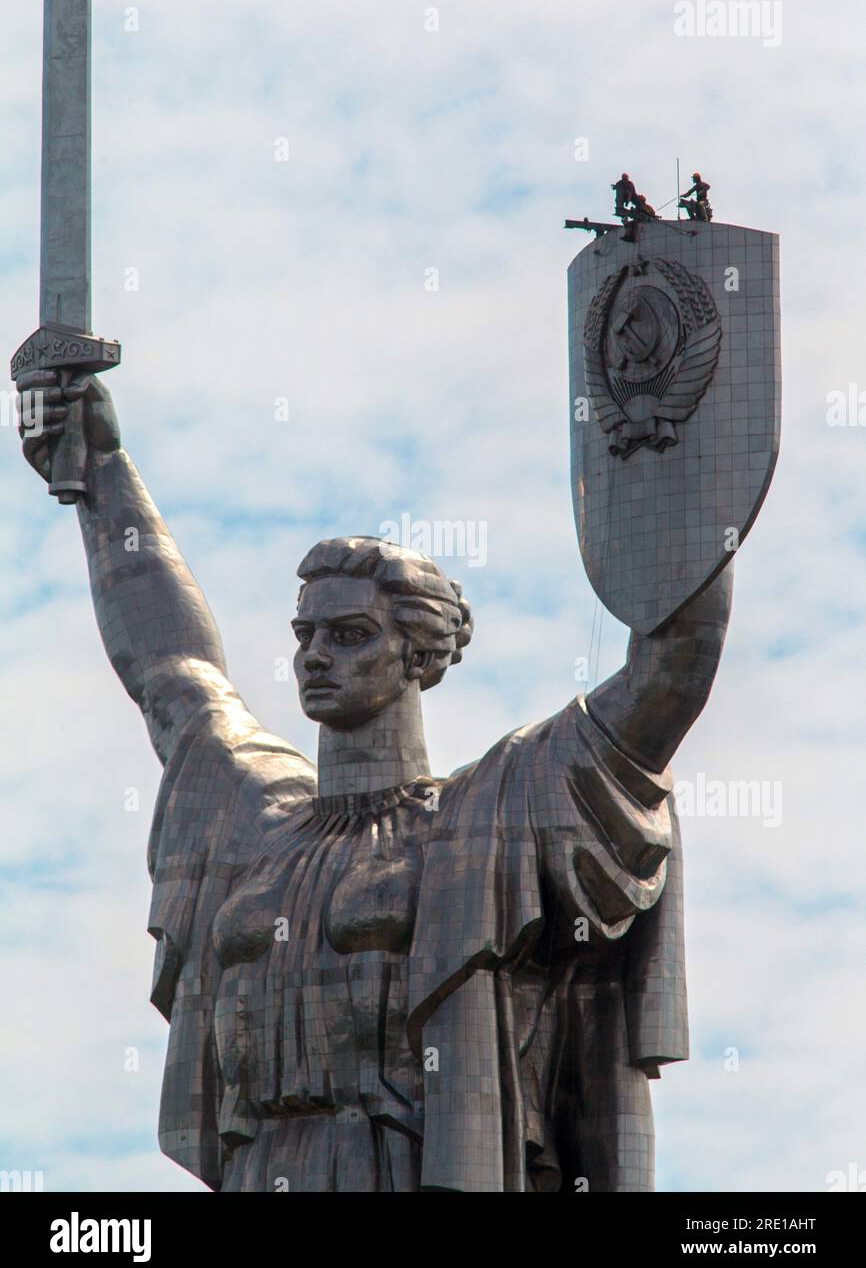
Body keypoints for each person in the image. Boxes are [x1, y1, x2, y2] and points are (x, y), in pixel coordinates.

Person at [16, 369, 732, 1193]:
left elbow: (671, 674)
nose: (316, 656)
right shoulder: (254, 817)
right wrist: (102, 470)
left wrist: (687, 437)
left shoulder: (489, 815)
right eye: (305, 635)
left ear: (418, 654)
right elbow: (172, 670)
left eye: (350, 635)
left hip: (404, 1169)